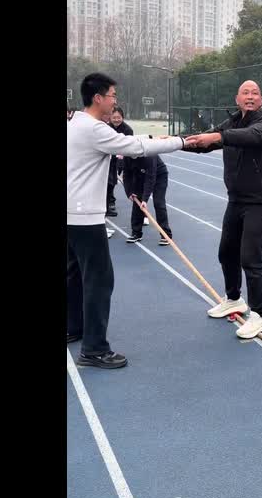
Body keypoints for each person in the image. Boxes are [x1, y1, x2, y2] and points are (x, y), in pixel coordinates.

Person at [68, 72, 182, 368]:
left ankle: (73, 328)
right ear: (98, 98)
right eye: (112, 96)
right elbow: (135, 147)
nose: (115, 102)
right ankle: (94, 350)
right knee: (99, 281)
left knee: (74, 275)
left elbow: (130, 140)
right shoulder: (93, 128)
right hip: (84, 217)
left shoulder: (76, 124)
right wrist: (181, 141)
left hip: (71, 215)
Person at [182, 80, 262, 339]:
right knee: (227, 253)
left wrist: (219, 136)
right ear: (237, 99)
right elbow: (207, 142)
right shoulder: (233, 122)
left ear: (261, 99)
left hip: (260, 200)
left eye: (255, 93)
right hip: (236, 199)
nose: (250, 97)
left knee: (251, 259)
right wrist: (173, 143)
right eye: (245, 93)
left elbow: (254, 136)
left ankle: (260, 314)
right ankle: (234, 299)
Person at [123, 143, 172, 246]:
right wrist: (129, 192)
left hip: (159, 175)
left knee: (158, 203)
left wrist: (145, 200)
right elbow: (127, 175)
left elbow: (151, 178)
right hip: (140, 175)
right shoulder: (127, 156)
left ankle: (166, 234)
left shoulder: (149, 155)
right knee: (137, 202)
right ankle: (136, 233)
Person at [105, 107, 133, 217]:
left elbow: (128, 146)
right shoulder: (106, 128)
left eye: (118, 117)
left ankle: (109, 203)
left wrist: (121, 161)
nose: (116, 120)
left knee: (113, 181)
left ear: (123, 117)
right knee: (109, 182)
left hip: (122, 158)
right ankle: (109, 203)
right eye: (114, 117)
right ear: (110, 118)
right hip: (108, 157)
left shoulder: (128, 130)